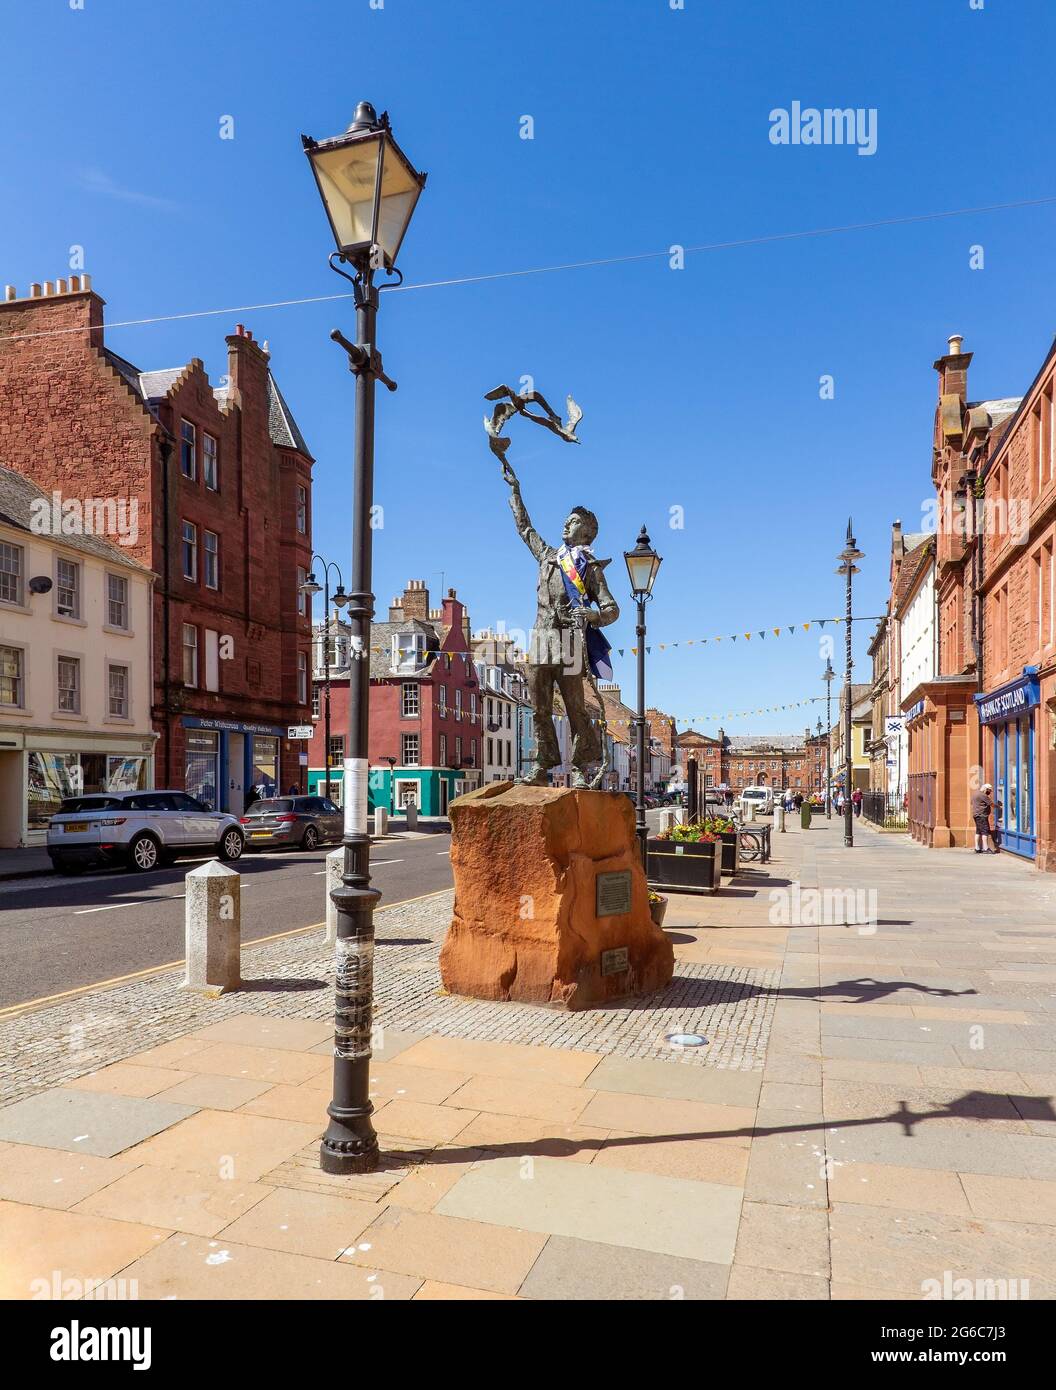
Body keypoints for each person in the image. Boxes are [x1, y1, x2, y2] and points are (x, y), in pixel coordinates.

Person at [971, 782, 998, 854]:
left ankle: (977, 848)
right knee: (985, 831)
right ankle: (986, 848)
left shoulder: (975, 794)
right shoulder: (983, 795)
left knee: (978, 831)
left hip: (976, 815)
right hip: (982, 816)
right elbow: (991, 804)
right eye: (989, 790)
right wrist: (999, 807)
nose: (989, 792)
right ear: (986, 789)